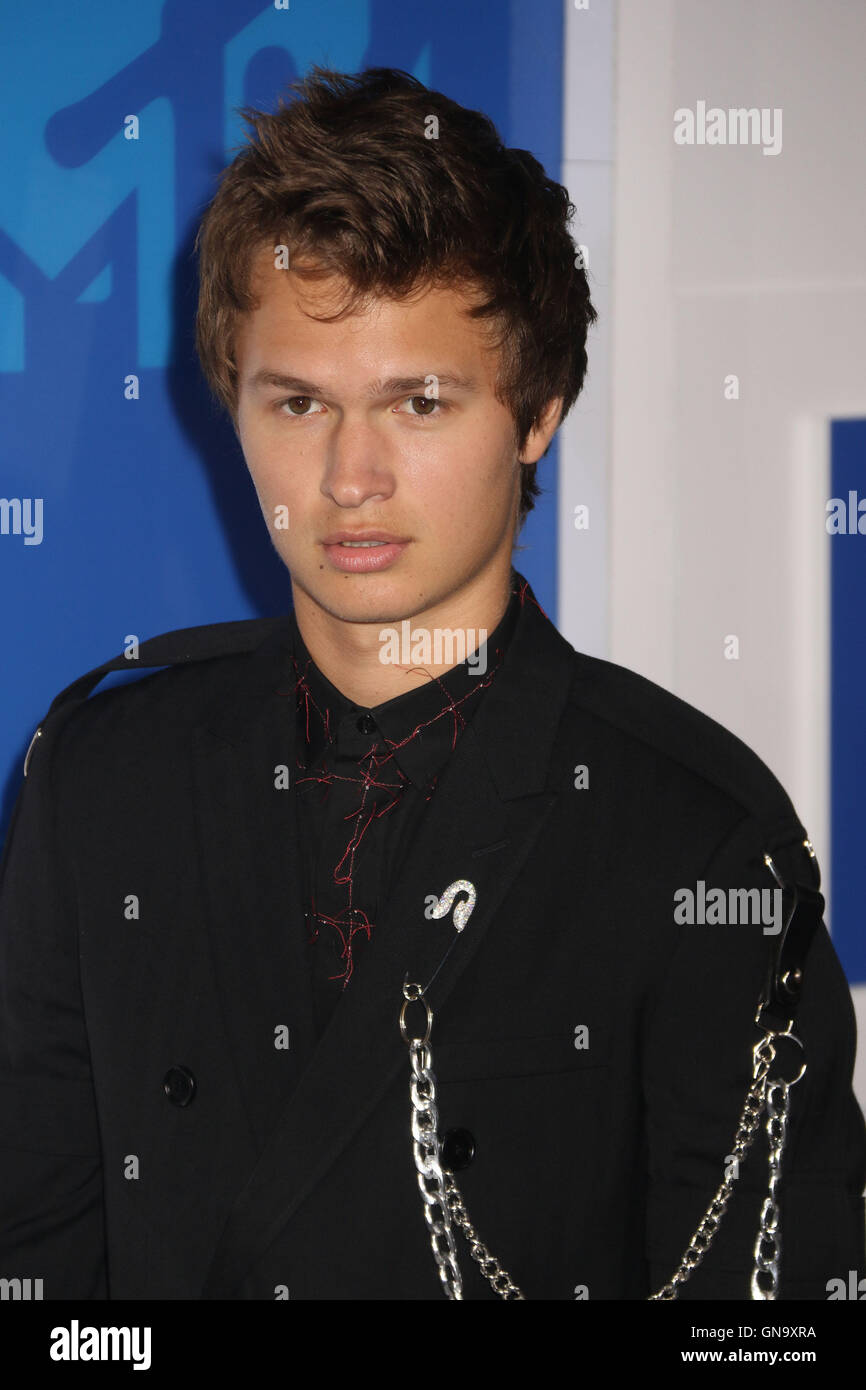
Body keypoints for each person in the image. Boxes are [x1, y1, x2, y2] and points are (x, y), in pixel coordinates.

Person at [0, 66, 863, 1302]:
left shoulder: (699, 840)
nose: (351, 474)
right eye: (297, 400)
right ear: (230, 410)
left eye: (418, 400)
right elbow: (34, 1267)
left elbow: (759, 1319)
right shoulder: (98, 784)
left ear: (536, 416)